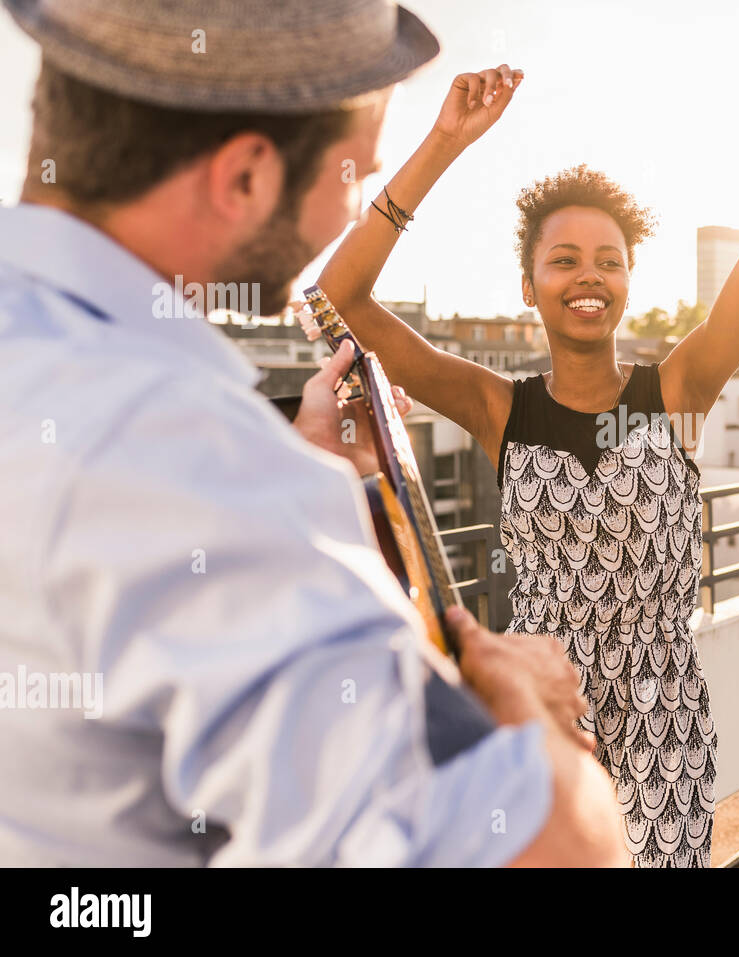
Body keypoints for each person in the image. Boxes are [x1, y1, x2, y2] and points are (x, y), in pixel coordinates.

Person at [0, 0, 625, 867]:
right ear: (248, 177)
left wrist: (296, 475)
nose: (351, 209)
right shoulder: (180, 453)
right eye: (354, 178)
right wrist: (521, 701)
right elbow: (554, 852)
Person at [312, 0, 739, 866]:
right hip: (548, 725)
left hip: (666, 736)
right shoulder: (496, 407)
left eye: (610, 261)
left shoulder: (681, 387)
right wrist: (445, 142)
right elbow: (339, 300)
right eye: (565, 260)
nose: (590, 278)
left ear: (629, 280)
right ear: (528, 284)